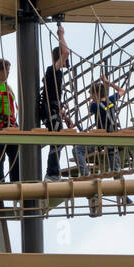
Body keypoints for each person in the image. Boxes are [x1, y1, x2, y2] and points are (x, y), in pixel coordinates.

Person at [38, 25, 75, 179]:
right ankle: (51, 173)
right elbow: (66, 52)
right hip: (49, 110)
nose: (67, 60)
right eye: (65, 59)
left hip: (52, 109)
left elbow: (55, 99)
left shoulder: (54, 73)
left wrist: (65, 117)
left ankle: (52, 173)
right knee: (57, 141)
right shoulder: (52, 70)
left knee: (58, 141)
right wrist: (61, 35)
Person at [87, 75, 124, 172]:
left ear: (95, 94)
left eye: (92, 94)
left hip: (102, 138)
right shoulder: (111, 100)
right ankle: (118, 176)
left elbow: (89, 110)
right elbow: (121, 91)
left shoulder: (94, 106)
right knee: (114, 160)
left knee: (78, 150)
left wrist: (92, 101)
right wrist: (107, 82)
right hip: (112, 135)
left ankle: (87, 170)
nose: (91, 96)